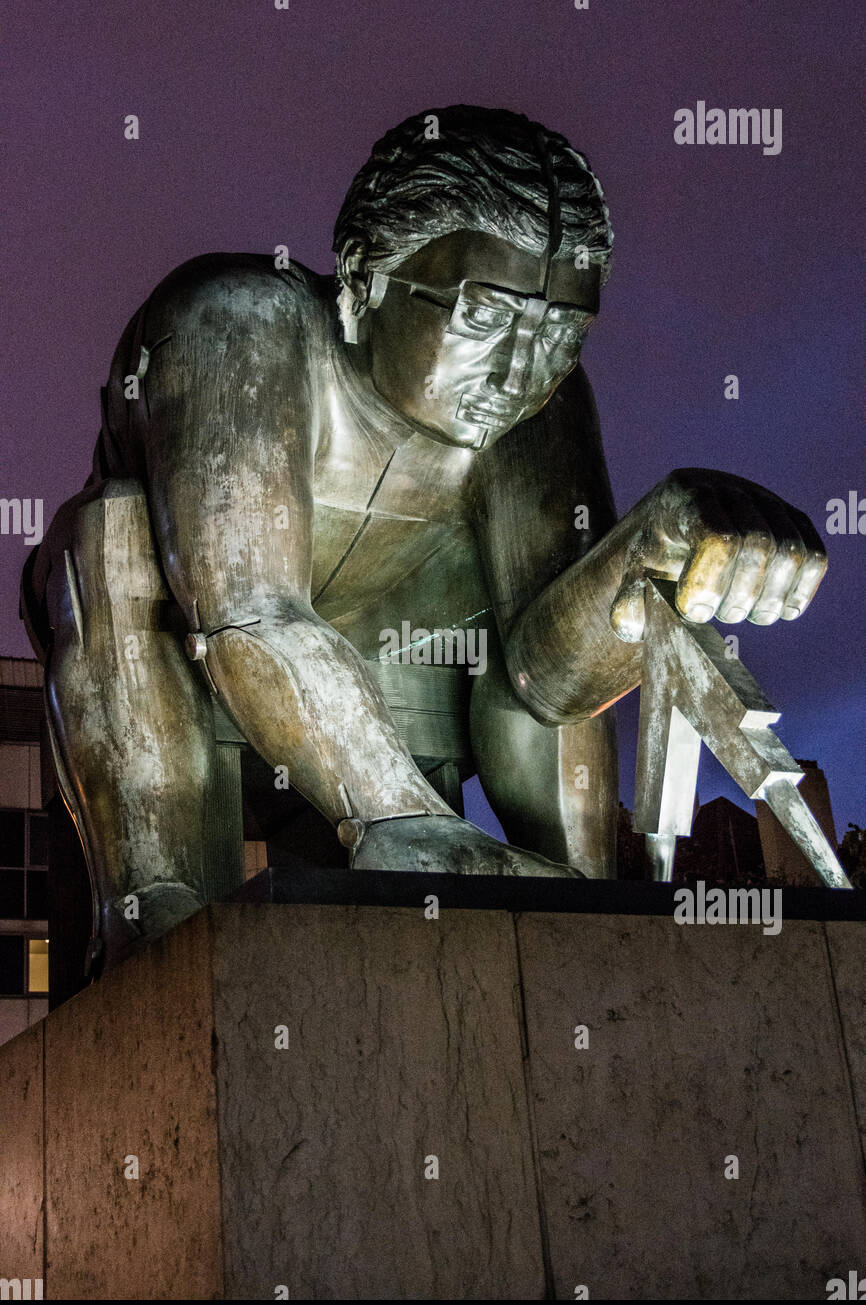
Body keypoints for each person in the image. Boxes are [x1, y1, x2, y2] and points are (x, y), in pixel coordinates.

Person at [21, 106, 827, 966]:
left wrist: (645, 556)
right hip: (166, 663)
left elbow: (542, 681)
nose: (519, 377)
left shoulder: (538, 411)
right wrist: (406, 820)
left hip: (395, 682)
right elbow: (247, 610)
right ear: (367, 278)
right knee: (112, 542)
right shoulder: (236, 322)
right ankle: (163, 932)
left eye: (558, 335)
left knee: (540, 619)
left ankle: (577, 919)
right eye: (483, 319)